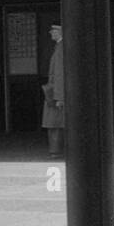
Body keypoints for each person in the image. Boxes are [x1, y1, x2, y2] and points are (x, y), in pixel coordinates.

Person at [42, 22, 64, 155]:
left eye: (53, 31)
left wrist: (59, 97)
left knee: (54, 123)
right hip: (56, 91)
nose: (51, 33)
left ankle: (55, 150)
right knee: (56, 123)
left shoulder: (61, 48)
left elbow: (59, 73)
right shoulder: (59, 47)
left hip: (56, 92)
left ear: (60, 33)